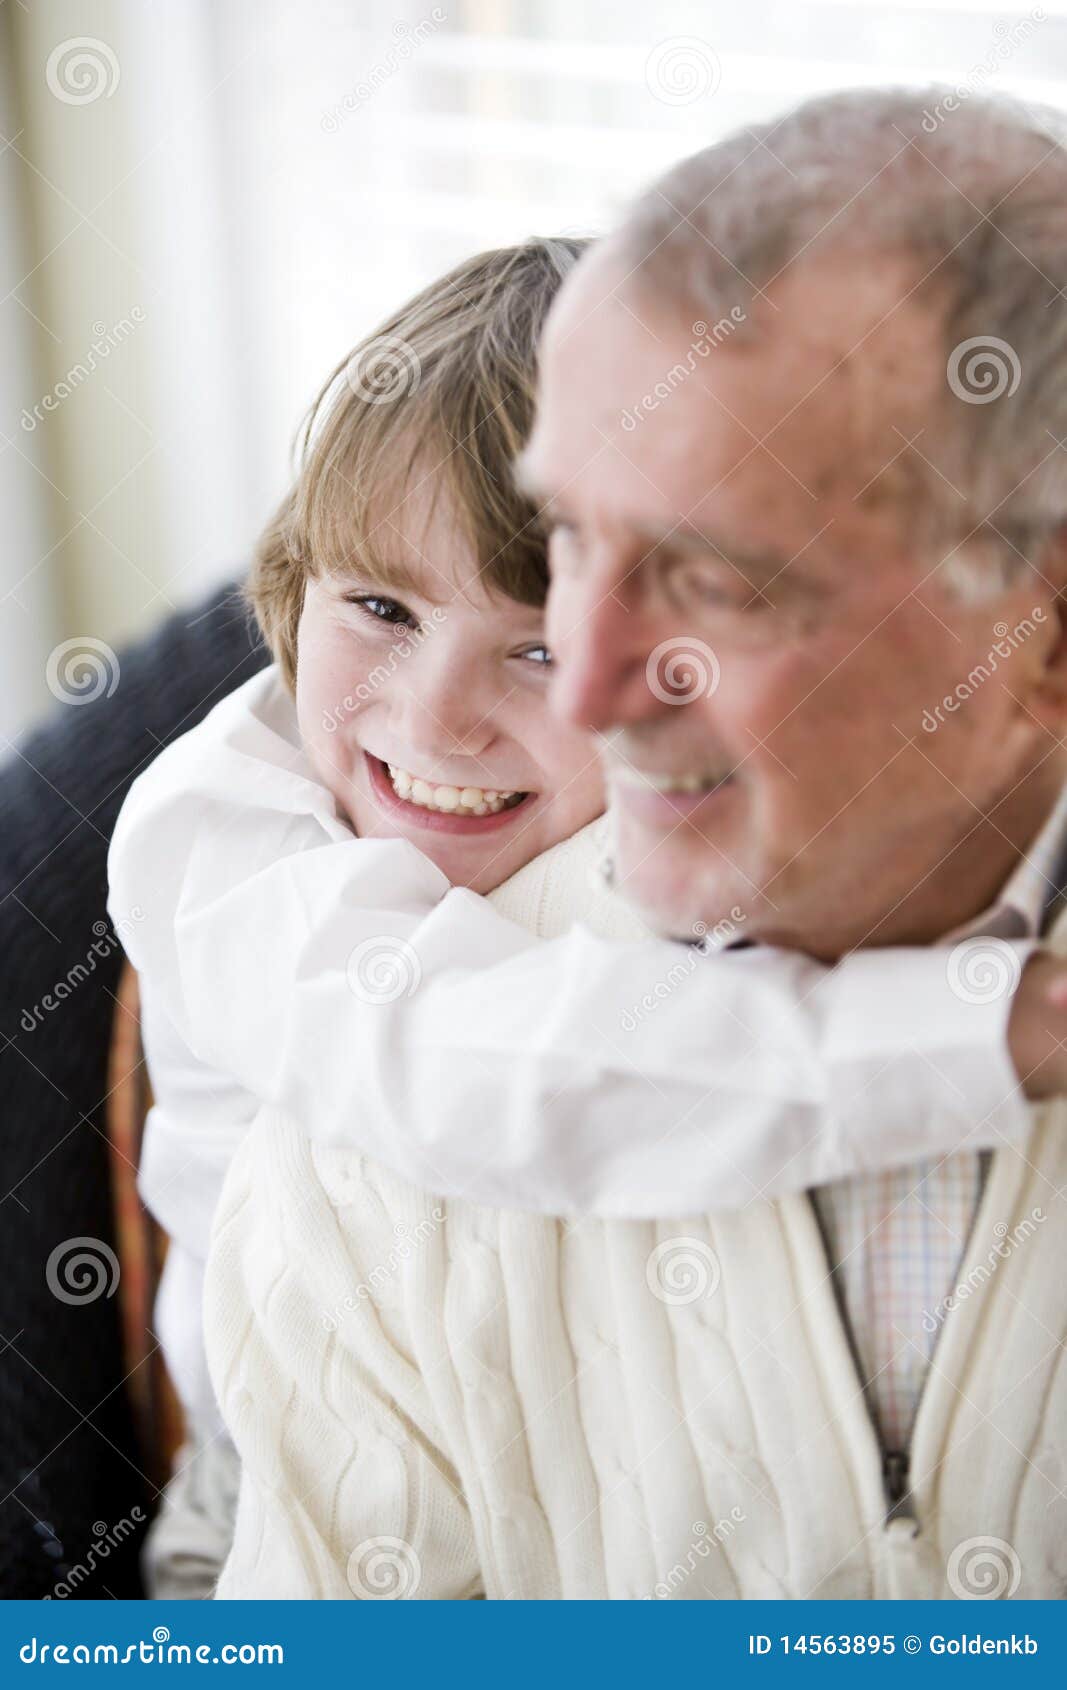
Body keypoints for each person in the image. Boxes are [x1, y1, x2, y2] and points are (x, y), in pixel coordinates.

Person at [110, 194, 1067, 1598]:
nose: (434, 720)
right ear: (298, 584)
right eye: (380, 608)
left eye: (542, 651)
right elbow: (485, 1076)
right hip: (265, 1457)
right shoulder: (219, 837)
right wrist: (974, 1031)